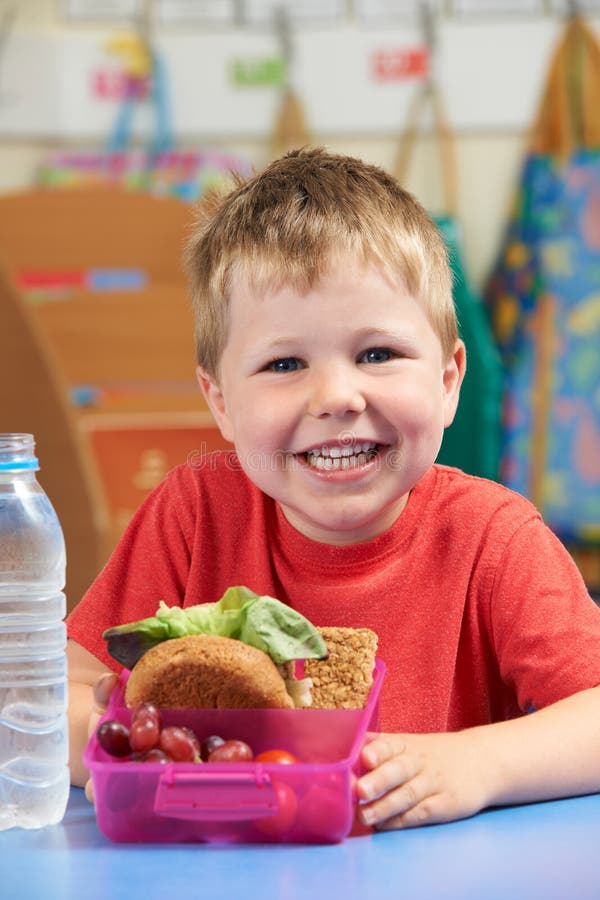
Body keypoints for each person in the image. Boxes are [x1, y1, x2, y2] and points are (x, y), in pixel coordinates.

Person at [67, 147, 600, 830]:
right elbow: (60, 694)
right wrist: (114, 746)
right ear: (221, 401)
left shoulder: (493, 537)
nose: (336, 396)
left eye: (377, 354)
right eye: (284, 363)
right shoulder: (193, 513)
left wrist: (479, 765)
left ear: (447, 381)